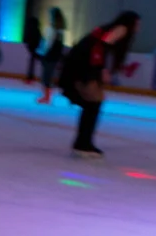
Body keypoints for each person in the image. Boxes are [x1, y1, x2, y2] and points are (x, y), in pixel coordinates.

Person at [60, 11, 140, 158]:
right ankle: (83, 144)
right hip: (84, 67)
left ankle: (83, 142)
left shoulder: (113, 29)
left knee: (93, 104)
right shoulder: (122, 29)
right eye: (137, 24)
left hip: (82, 65)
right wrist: (100, 68)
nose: (138, 28)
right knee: (93, 104)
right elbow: (100, 45)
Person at [37, 6, 66, 105]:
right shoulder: (61, 30)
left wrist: (41, 52)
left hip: (48, 54)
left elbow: (47, 42)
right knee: (49, 75)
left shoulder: (52, 28)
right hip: (55, 55)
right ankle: (47, 96)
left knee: (46, 76)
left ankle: (46, 97)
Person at [23, 15, 42, 83]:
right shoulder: (36, 30)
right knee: (33, 63)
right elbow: (39, 39)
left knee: (32, 63)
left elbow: (30, 39)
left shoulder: (32, 30)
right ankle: (30, 77)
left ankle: (30, 78)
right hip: (35, 49)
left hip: (34, 49)